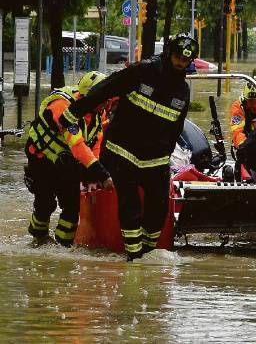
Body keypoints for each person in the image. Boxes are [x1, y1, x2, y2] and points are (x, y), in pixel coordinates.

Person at [65, 34, 196, 260]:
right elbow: (107, 87)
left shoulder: (183, 92)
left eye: (185, 60)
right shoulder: (143, 71)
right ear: (169, 52)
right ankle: (134, 261)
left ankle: (148, 254)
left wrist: (166, 157)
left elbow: (176, 128)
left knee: (158, 209)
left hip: (155, 159)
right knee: (130, 204)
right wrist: (74, 112)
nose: (179, 63)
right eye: (177, 57)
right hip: (122, 151)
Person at [25, 71, 113, 247]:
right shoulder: (62, 107)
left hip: (67, 161)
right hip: (41, 158)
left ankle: (63, 248)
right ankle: (38, 239)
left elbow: (95, 142)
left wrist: (93, 173)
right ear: (89, 97)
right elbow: (78, 145)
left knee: (72, 207)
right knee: (45, 203)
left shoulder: (98, 113)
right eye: (103, 99)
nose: (106, 103)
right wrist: (102, 174)